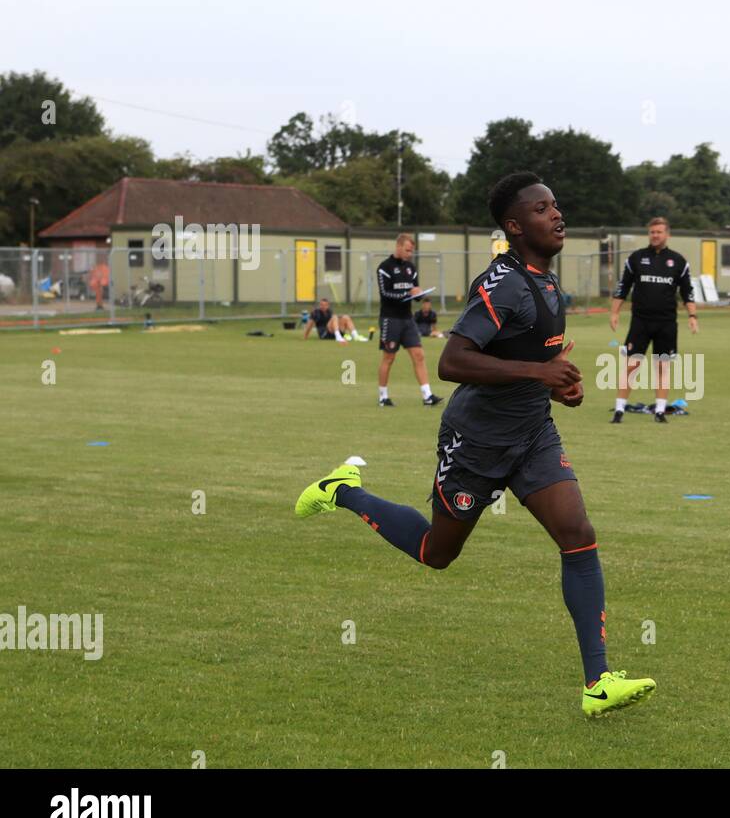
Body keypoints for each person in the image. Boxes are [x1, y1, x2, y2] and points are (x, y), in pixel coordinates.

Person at [294, 172, 655, 719]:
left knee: (578, 536)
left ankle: (597, 680)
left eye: (556, 205)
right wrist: (538, 371)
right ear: (514, 226)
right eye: (541, 209)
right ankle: (343, 491)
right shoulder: (502, 283)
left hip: (533, 435)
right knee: (436, 554)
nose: (556, 215)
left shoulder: (553, 286)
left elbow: (537, 366)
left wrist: (561, 386)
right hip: (476, 443)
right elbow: (453, 361)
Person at [609, 217, 697, 424]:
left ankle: (659, 411)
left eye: (659, 232)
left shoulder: (678, 261)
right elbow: (623, 287)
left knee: (662, 367)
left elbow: (687, 292)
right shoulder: (636, 258)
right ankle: (619, 410)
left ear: (667, 234)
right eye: (652, 232)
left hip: (666, 323)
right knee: (632, 365)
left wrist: (692, 316)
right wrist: (614, 312)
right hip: (640, 321)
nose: (655, 235)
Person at [376, 234, 441, 407]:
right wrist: (407, 293)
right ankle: (383, 396)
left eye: (412, 250)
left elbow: (416, 297)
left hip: (407, 319)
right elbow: (385, 294)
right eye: (407, 250)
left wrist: (420, 293)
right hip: (390, 319)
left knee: (419, 355)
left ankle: (427, 396)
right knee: (389, 357)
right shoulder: (384, 268)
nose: (410, 253)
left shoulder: (411, 268)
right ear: (398, 247)